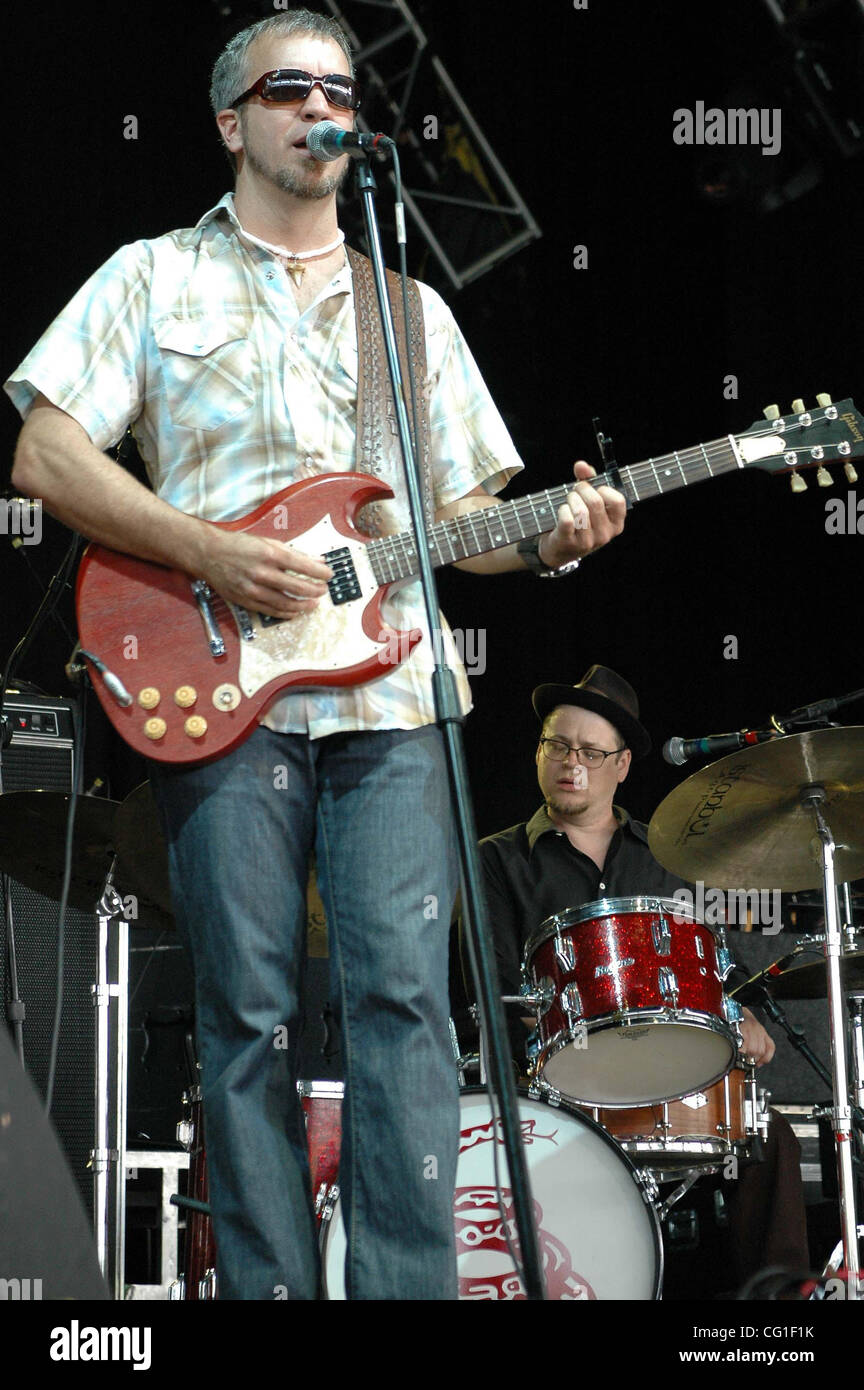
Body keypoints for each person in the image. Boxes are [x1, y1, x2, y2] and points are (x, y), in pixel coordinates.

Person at [4, 11, 626, 1300]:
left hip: (395, 697)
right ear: (233, 121)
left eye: (341, 90)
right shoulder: (152, 275)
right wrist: (207, 553)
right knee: (246, 1016)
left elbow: (476, 524)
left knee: (405, 1003)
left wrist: (557, 538)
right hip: (221, 687)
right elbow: (45, 456)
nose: (321, 107)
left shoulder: (409, 309)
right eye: (290, 87)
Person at [470, 664, 811, 1292]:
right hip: (553, 1083)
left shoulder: (669, 857)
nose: (573, 763)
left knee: (770, 1135)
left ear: (622, 765)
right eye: (558, 746)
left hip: (671, 1082)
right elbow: (493, 991)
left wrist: (738, 1015)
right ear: (539, 753)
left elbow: (714, 974)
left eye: (593, 752)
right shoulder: (493, 860)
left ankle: (776, 1322)